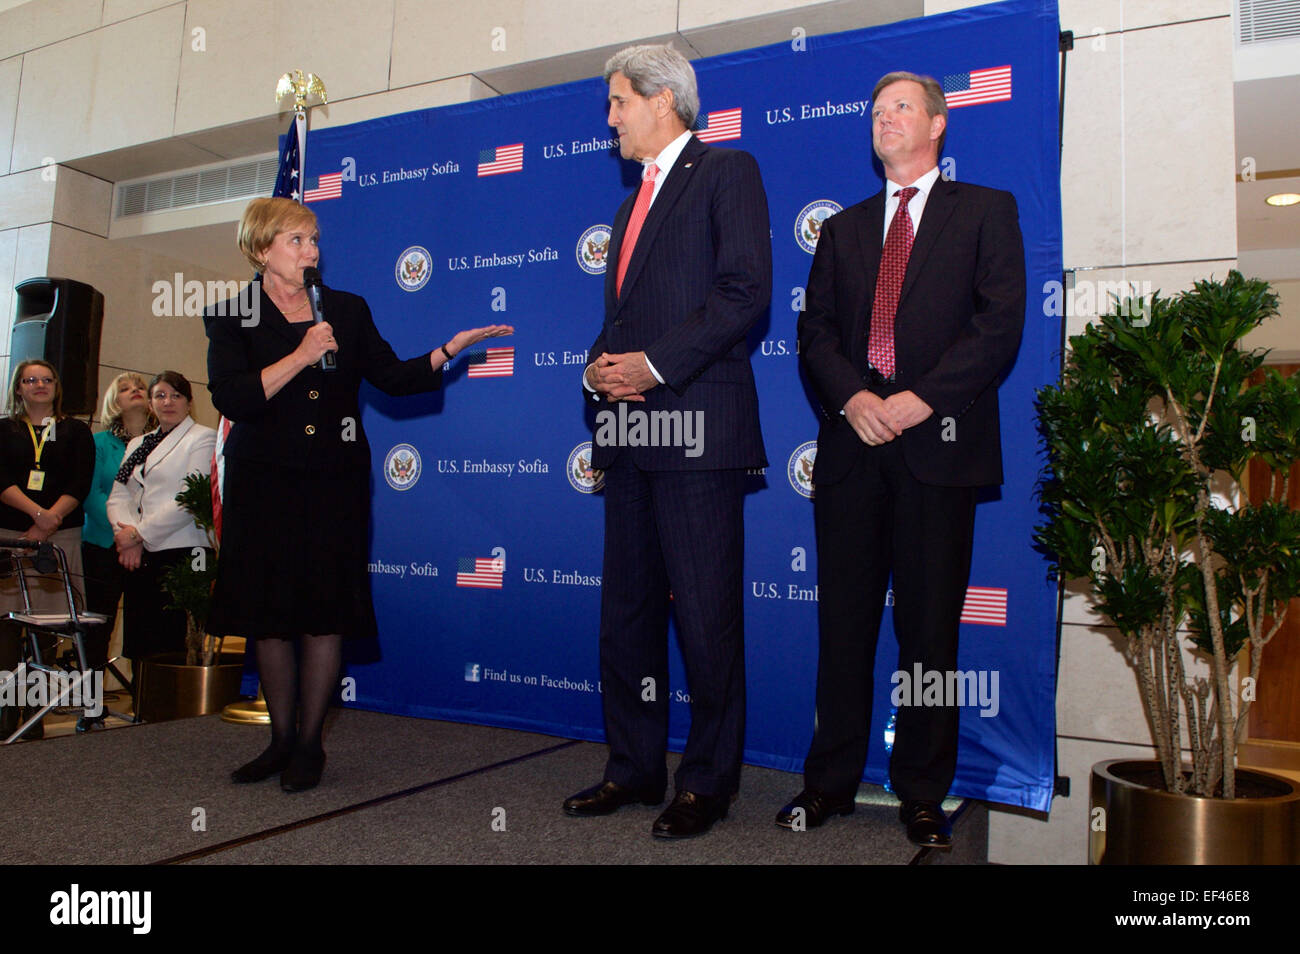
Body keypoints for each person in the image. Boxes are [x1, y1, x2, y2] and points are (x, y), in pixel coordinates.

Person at [777, 71, 1025, 848]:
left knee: (929, 634)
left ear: (939, 123)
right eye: (877, 110)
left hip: (936, 450)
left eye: (901, 108)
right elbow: (814, 335)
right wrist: (855, 401)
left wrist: (919, 401)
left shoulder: (985, 210)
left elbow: (998, 325)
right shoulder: (842, 230)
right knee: (843, 627)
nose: (885, 118)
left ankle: (923, 791)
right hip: (854, 451)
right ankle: (829, 782)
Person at [206, 196, 510, 793]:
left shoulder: (345, 309)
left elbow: (394, 380)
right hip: (263, 482)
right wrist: (302, 353)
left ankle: (309, 747)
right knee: (268, 619)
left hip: (332, 483)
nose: (312, 251)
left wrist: (447, 350)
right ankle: (279, 741)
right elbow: (232, 399)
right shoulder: (231, 316)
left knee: (324, 612)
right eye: (297, 240)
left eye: (314, 239)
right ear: (262, 249)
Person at [564, 44, 770, 839]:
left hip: (699, 434)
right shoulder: (628, 207)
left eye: (618, 101)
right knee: (628, 617)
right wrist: (600, 374)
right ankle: (633, 768)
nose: (610, 117)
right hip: (629, 436)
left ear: (662, 101)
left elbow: (744, 290)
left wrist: (652, 368)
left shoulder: (728, 174)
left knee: (708, 619)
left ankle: (709, 783)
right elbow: (619, 323)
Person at [106, 371, 216, 708]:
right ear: (152, 402)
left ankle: (174, 712)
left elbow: (189, 496)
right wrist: (125, 535)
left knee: (174, 637)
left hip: (183, 548)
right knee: (141, 637)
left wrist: (138, 534)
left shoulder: (202, 438)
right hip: (138, 550)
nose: (167, 402)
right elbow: (119, 494)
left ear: (189, 401)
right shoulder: (139, 444)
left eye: (175, 396)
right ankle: (143, 708)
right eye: (160, 396)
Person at [0, 359, 95, 739]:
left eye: (46, 379)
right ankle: (6, 717)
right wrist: (37, 516)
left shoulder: (75, 430)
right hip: (10, 535)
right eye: (30, 380)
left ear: (57, 386)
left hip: (60, 537)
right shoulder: (4, 429)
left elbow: (80, 481)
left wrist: (50, 520)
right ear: (18, 388)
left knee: (49, 630)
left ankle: (36, 720)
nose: (39, 385)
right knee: (5, 630)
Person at [79, 372, 155, 731]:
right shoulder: (97, 443)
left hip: (150, 545)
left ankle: (146, 705)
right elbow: (90, 492)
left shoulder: (164, 441)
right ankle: (91, 709)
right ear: (114, 401)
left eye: (140, 386)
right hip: (103, 544)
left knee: (145, 626)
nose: (135, 391)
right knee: (98, 628)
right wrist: (122, 532)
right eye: (125, 388)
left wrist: (139, 535)